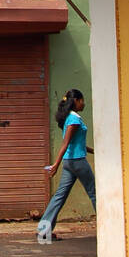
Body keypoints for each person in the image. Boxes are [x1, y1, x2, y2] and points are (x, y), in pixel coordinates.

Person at [37, 88, 96, 242]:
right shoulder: (75, 120)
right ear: (75, 101)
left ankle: (43, 231)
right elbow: (66, 143)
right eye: (82, 100)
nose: (84, 103)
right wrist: (55, 165)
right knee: (95, 193)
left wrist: (95, 151)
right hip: (78, 162)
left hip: (69, 163)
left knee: (59, 196)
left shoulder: (69, 118)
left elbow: (76, 144)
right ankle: (108, 227)